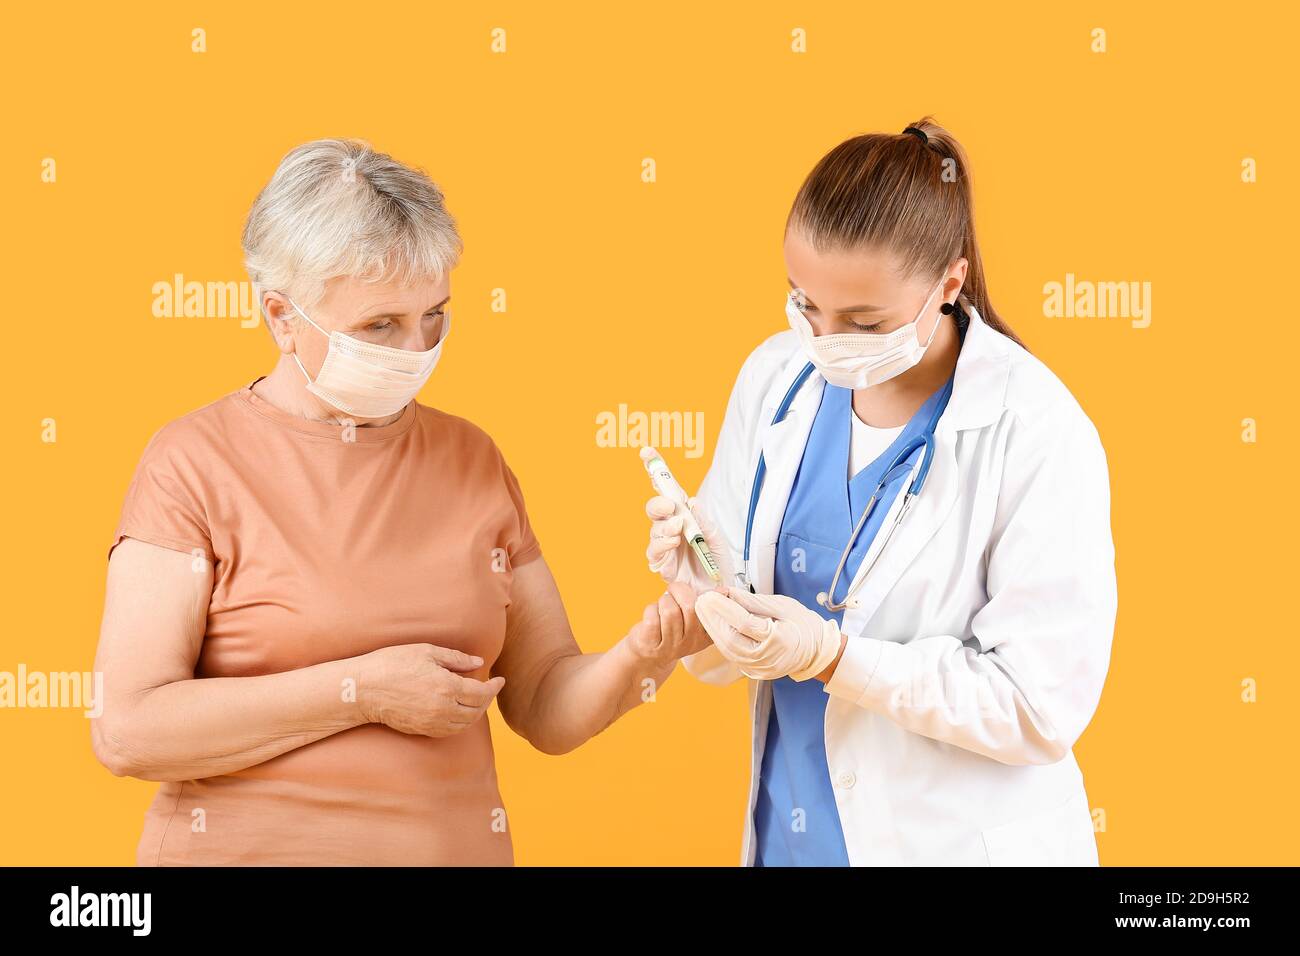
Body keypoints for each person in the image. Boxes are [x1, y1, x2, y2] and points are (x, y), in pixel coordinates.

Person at [92, 138, 709, 866]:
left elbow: (544, 705)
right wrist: (359, 692)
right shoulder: (193, 464)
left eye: (435, 317)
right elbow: (128, 730)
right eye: (379, 326)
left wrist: (648, 651)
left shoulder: (473, 459)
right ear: (282, 318)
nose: (415, 350)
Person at [645, 117, 1117, 866]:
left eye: (863, 321)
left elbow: (1037, 706)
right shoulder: (775, 381)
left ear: (949, 283)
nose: (826, 341)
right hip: (792, 834)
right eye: (804, 304)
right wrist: (701, 595)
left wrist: (837, 658)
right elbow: (731, 649)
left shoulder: (1034, 429)